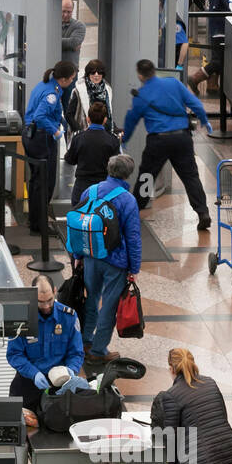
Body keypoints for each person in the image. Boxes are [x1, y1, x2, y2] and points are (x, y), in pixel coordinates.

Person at [123, 58, 212, 230]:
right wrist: (204, 120)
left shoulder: (141, 96)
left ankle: (136, 211)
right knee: (190, 176)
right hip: (182, 139)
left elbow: (131, 120)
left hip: (158, 141)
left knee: (147, 176)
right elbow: (195, 104)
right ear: (154, 71)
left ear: (140, 75)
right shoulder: (173, 84)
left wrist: (125, 139)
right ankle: (203, 212)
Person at [76, 153, 141, 370]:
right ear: (128, 174)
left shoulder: (90, 191)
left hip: (91, 255)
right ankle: (98, 351)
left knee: (91, 299)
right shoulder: (127, 200)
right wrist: (134, 267)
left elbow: (80, 224)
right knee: (109, 306)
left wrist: (78, 255)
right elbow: (132, 236)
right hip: (116, 261)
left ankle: (85, 340)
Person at [6, 274, 84, 423]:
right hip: (28, 384)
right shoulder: (21, 318)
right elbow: (14, 354)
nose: (47, 306)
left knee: (56, 430)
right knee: (21, 433)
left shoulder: (68, 317)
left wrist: (71, 370)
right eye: (41, 302)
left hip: (59, 386)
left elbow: (76, 352)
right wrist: (34, 374)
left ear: (54, 291)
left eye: (49, 300)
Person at [22, 61, 75, 235]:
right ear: (65, 79)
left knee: (36, 181)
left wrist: (63, 122)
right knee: (45, 182)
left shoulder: (46, 84)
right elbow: (40, 116)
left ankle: (35, 220)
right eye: (72, 78)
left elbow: (50, 112)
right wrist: (56, 132)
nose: (73, 81)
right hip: (41, 138)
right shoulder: (52, 93)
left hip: (31, 135)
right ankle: (40, 226)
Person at [65, 100, 122, 207]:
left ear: (88, 119)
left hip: (82, 187)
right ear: (105, 120)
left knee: (79, 217)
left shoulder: (78, 138)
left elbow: (70, 160)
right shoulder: (112, 140)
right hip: (104, 187)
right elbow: (116, 165)